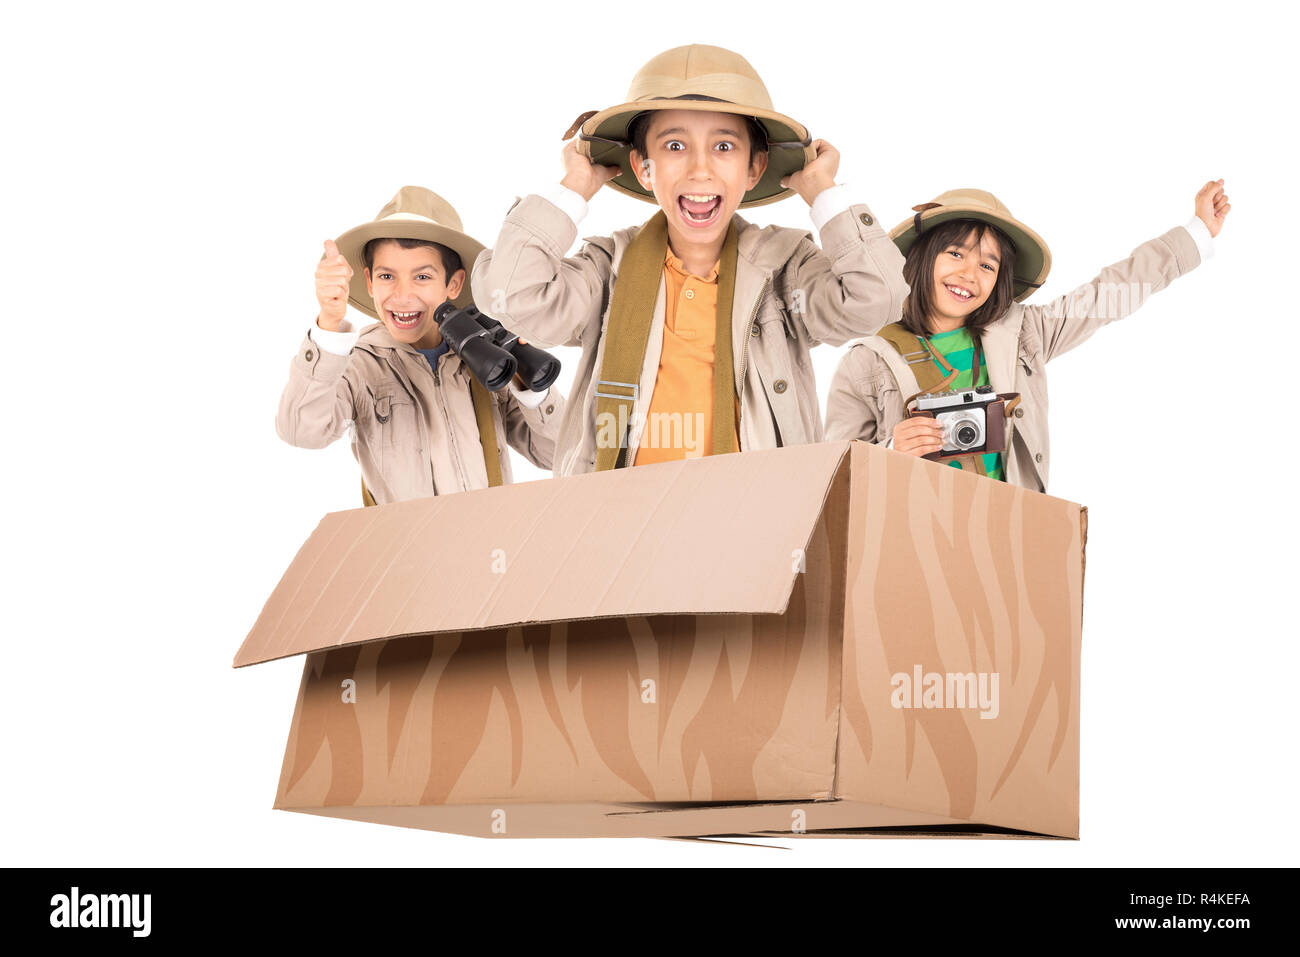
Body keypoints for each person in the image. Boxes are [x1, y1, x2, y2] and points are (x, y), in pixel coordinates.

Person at [471, 44, 907, 475]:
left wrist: (822, 192)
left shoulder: (784, 268)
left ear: (754, 169)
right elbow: (511, 295)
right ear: (644, 167)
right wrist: (575, 186)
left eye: (724, 147)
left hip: (756, 517)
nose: (700, 170)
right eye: (675, 146)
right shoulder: (609, 269)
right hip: (621, 521)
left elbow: (879, 299)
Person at [823, 182, 1230, 491]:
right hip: (909, 541)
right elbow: (833, 476)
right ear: (924, 258)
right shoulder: (866, 362)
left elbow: (1107, 294)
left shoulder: (1025, 336)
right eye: (956, 254)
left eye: (988, 265)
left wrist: (1195, 234)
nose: (969, 274)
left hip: (1005, 535)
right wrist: (893, 452)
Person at [276, 186, 563, 504]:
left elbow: (555, 454)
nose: (402, 295)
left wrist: (531, 387)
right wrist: (329, 324)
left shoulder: (486, 357)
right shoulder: (360, 363)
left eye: (422, 277)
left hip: (491, 544)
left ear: (453, 284)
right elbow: (301, 431)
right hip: (407, 550)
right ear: (369, 282)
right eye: (387, 277)